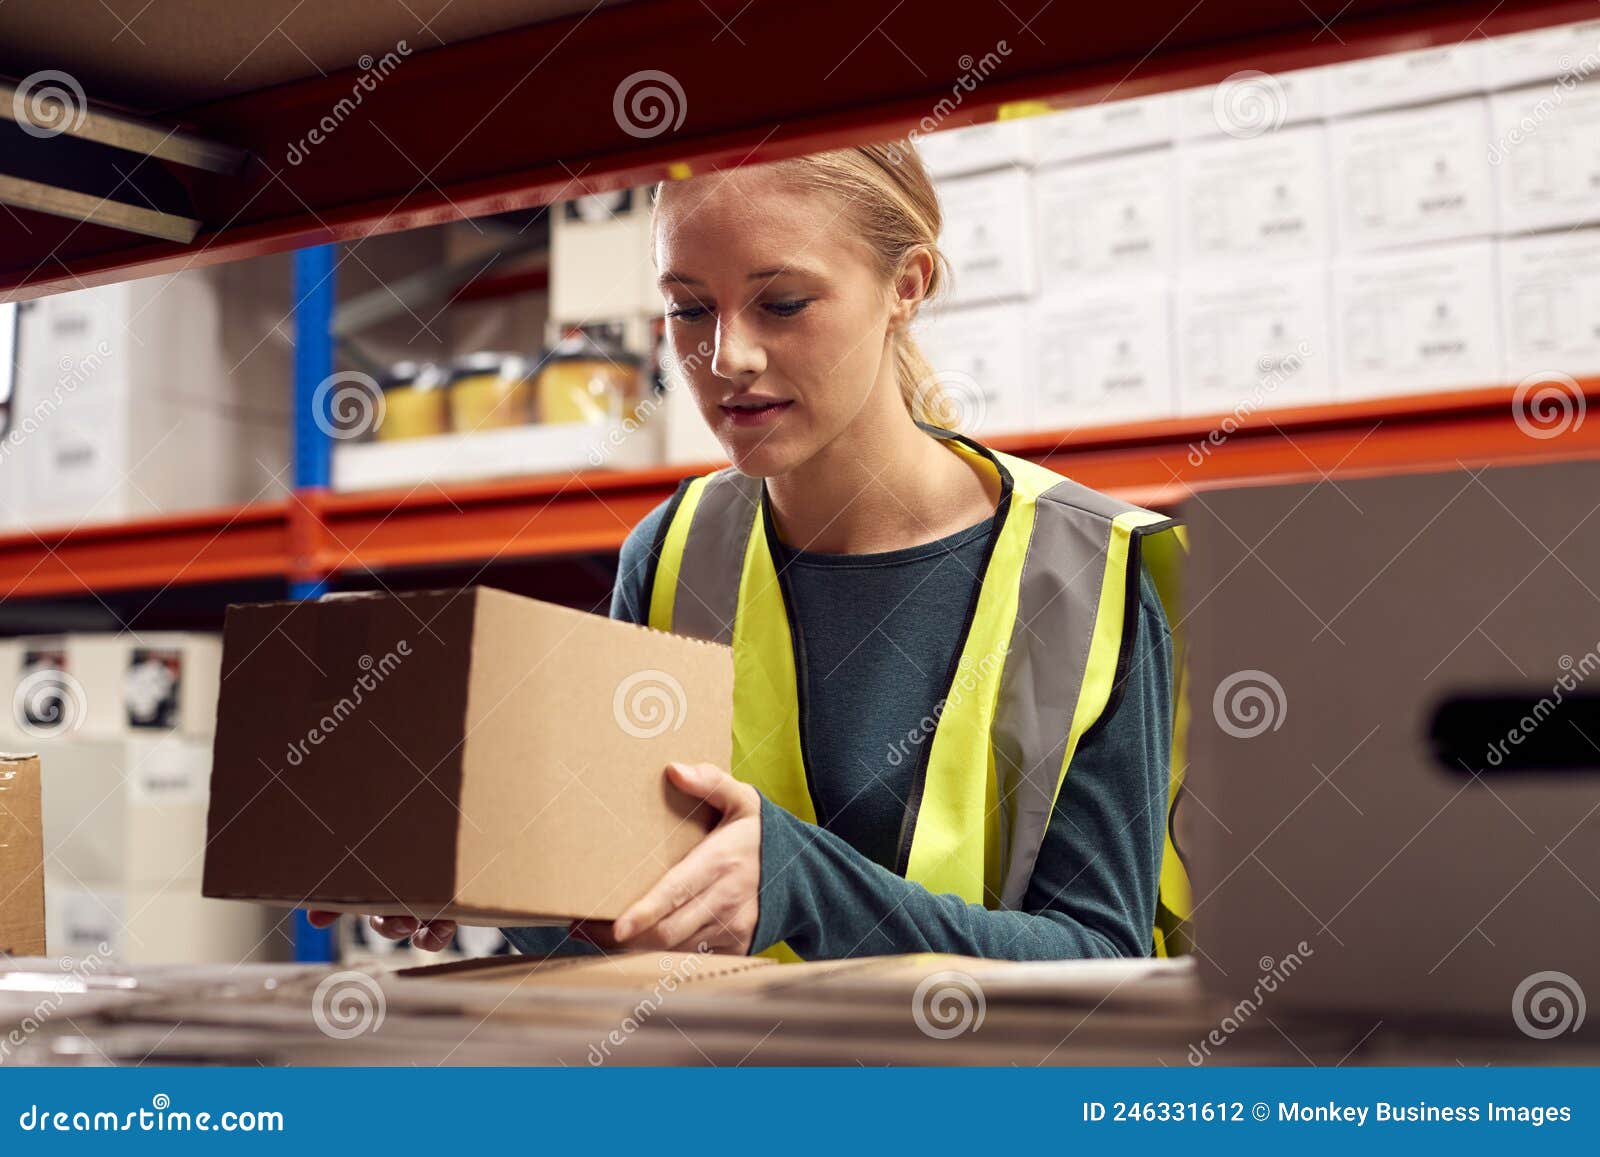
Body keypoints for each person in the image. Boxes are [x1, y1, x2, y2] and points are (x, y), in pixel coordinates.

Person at [307, 141, 1189, 963]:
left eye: (783, 303)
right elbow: (634, 907)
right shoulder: (674, 551)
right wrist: (493, 890)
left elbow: (1104, 964)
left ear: (906, 283)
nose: (727, 354)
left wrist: (805, 886)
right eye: (689, 308)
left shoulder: (1085, 569)